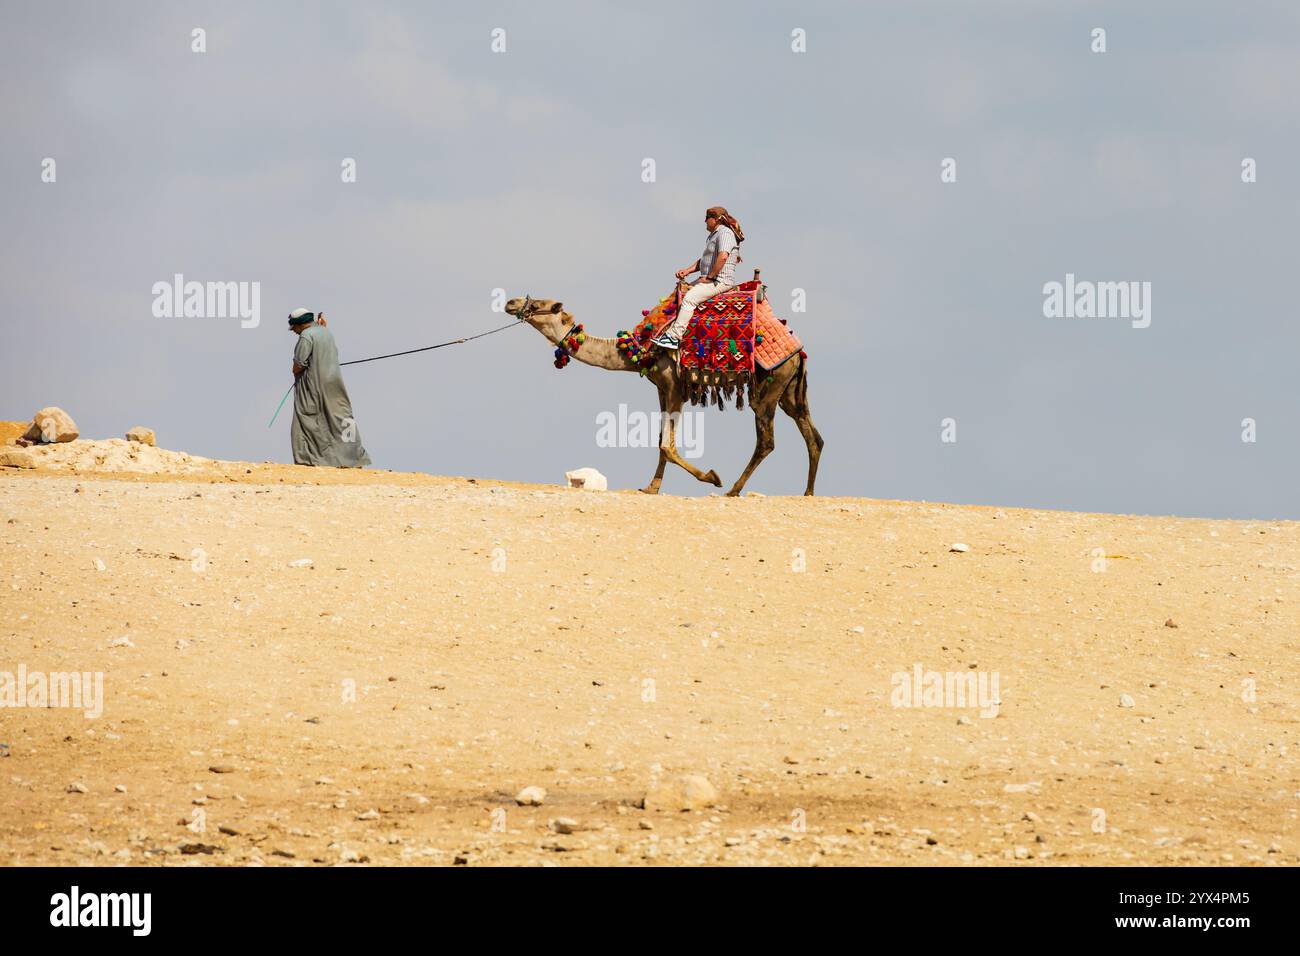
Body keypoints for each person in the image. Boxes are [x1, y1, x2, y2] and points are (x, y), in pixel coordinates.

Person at [651, 206, 745, 349]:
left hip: (720, 281)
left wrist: (710, 277)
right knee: (680, 293)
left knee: (689, 299)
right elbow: (706, 260)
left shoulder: (725, 233)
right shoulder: (714, 235)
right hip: (709, 279)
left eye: (707, 218)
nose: (705, 221)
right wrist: (687, 271)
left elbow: (723, 256)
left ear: (716, 219)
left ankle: (674, 337)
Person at [288, 308, 371, 467]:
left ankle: (309, 460)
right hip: (334, 382)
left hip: (314, 386)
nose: (293, 331)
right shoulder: (326, 332)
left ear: (300, 325)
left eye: (294, 328)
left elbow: (299, 364)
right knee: (342, 416)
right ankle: (353, 457)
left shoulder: (306, 336)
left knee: (308, 419)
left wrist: (295, 370)